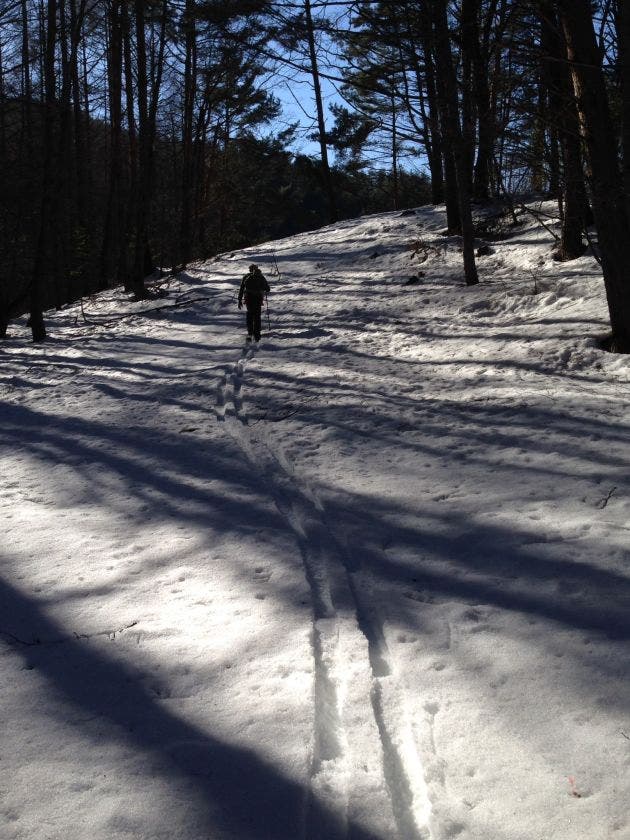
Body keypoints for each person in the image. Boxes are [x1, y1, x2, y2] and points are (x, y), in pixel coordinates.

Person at [238, 263, 270, 342]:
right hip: (258, 299)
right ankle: (257, 334)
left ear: (249, 270)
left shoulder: (246, 277)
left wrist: (239, 300)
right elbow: (268, 289)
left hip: (248, 299)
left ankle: (250, 333)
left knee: (249, 315)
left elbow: (241, 289)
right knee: (257, 316)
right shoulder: (261, 277)